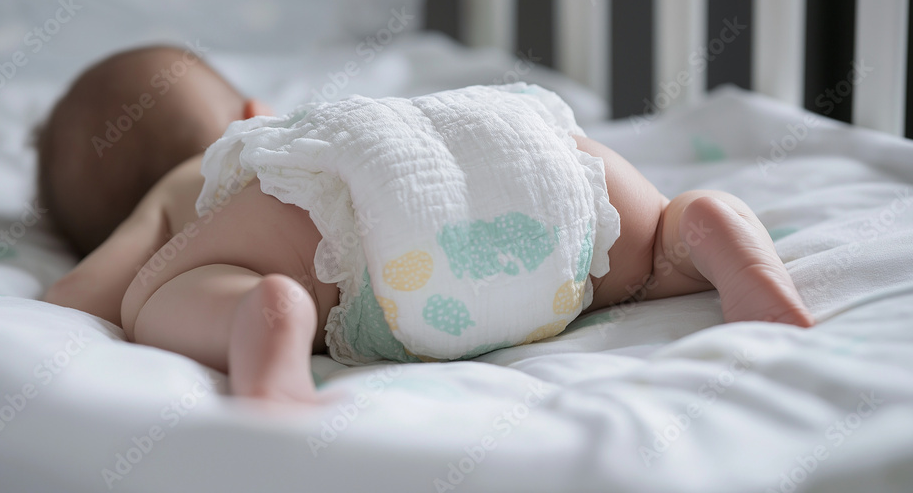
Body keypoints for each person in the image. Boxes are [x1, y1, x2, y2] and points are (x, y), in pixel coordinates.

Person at [42, 46, 814, 404]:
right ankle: (711, 232)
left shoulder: (219, 185)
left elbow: (83, 297)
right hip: (520, 149)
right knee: (653, 251)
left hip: (346, 247)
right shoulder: (291, 129)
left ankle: (257, 312)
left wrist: (101, 284)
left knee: (151, 301)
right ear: (254, 115)